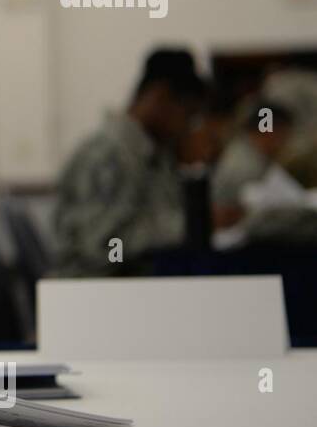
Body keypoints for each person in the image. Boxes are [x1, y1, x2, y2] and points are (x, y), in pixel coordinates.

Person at [53, 48, 206, 275]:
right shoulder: (109, 155)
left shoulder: (150, 152)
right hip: (96, 292)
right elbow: (101, 247)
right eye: (188, 114)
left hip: (126, 287)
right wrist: (188, 226)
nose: (187, 127)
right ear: (160, 97)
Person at [212, 99, 296, 230]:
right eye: (283, 133)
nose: (285, 141)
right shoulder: (245, 164)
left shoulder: (252, 153)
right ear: (269, 132)